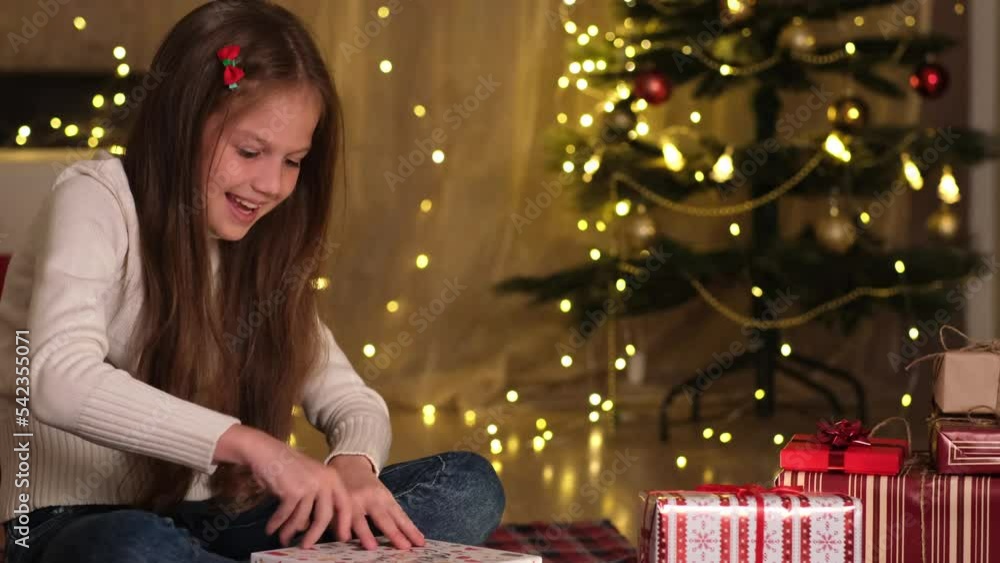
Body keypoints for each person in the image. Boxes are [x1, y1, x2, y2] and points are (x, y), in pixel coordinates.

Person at [0, 1, 505, 561]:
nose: (270, 184)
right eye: (249, 151)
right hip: (67, 522)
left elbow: (350, 400)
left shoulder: (263, 242)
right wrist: (254, 448)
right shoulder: (95, 194)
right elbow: (55, 379)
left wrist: (354, 465)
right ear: (182, 122)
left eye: (293, 161)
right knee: (133, 545)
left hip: (221, 522)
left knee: (466, 486)